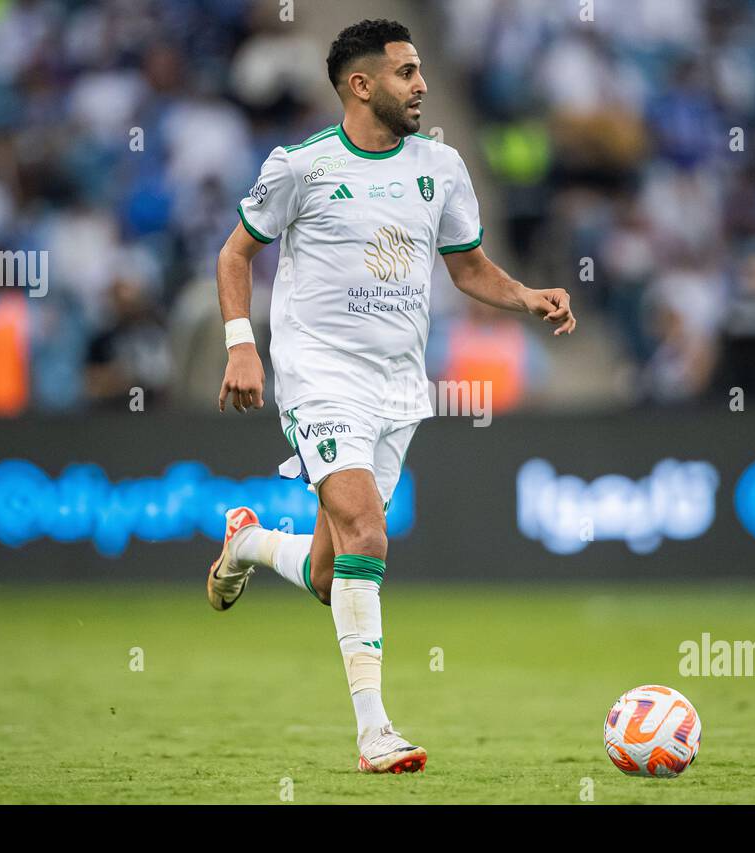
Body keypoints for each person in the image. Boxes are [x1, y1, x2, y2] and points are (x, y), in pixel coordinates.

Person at [205, 19, 576, 773]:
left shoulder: (440, 165)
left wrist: (526, 295)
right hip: (319, 374)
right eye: (406, 73)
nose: (423, 86)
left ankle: (243, 540)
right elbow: (235, 253)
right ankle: (375, 732)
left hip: (399, 387)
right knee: (368, 534)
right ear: (361, 84)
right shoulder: (300, 166)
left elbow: (468, 269)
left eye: (421, 71)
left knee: (325, 571)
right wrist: (241, 344)